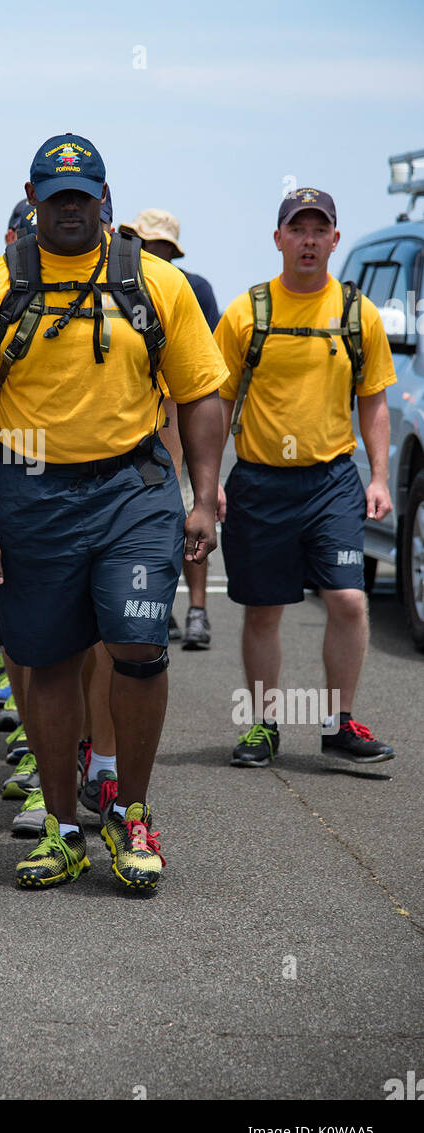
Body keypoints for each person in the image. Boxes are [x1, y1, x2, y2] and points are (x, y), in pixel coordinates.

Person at [0, 133, 228, 892]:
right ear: (32, 200)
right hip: (29, 495)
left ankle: (130, 811)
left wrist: (204, 497)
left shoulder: (155, 282)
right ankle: (61, 826)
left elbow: (200, 393)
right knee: (49, 658)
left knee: (136, 644)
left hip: (132, 490)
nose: (69, 210)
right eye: (55, 198)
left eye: (81, 197)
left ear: (102, 199)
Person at [214, 187, 397, 769]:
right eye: (299, 230)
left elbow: (373, 400)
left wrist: (379, 478)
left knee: (347, 599)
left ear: (335, 240)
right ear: (279, 240)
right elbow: (218, 400)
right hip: (260, 483)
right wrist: (206, 481)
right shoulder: (247, 312)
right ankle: (263, 726)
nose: (309, 240)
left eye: (320, 231)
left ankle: (338, 722)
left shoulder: (356, 312)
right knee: (265, 610)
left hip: (332, 482)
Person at [126, 209, 220, 650]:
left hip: (181, 414)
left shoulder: (191, 288)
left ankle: (197, 609)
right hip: (142, 420)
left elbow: (205, 371)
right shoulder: (121, 283)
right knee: (149, 520)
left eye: (164, 248)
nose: (156, 254)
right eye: (149, 245)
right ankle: (157, 609)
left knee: (188, 514)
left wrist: (210, 479)